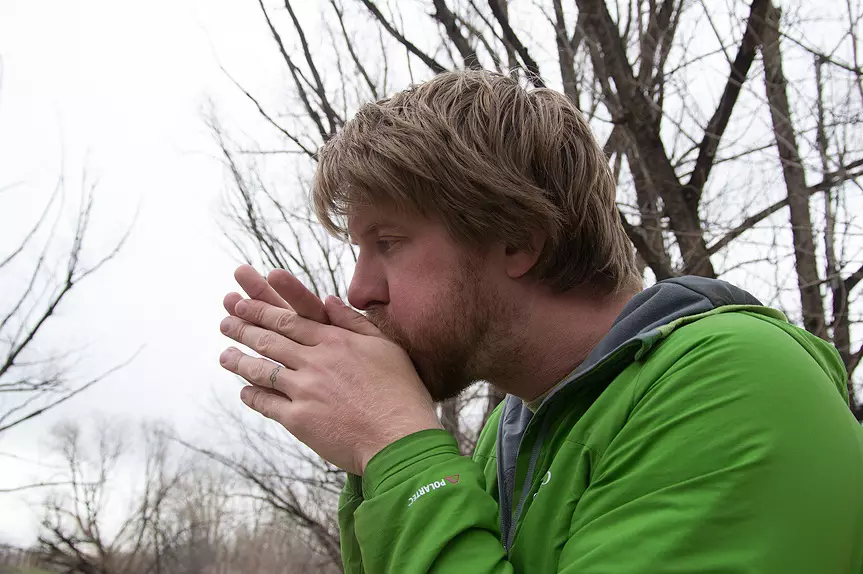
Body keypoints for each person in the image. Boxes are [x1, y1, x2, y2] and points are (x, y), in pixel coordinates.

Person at [218, 70, 863, 573]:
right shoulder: (516, 429)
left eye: (388, 243)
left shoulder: (731, 383)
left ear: (516, 240)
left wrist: (395, 446)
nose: (359, 289)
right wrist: (371, 459)